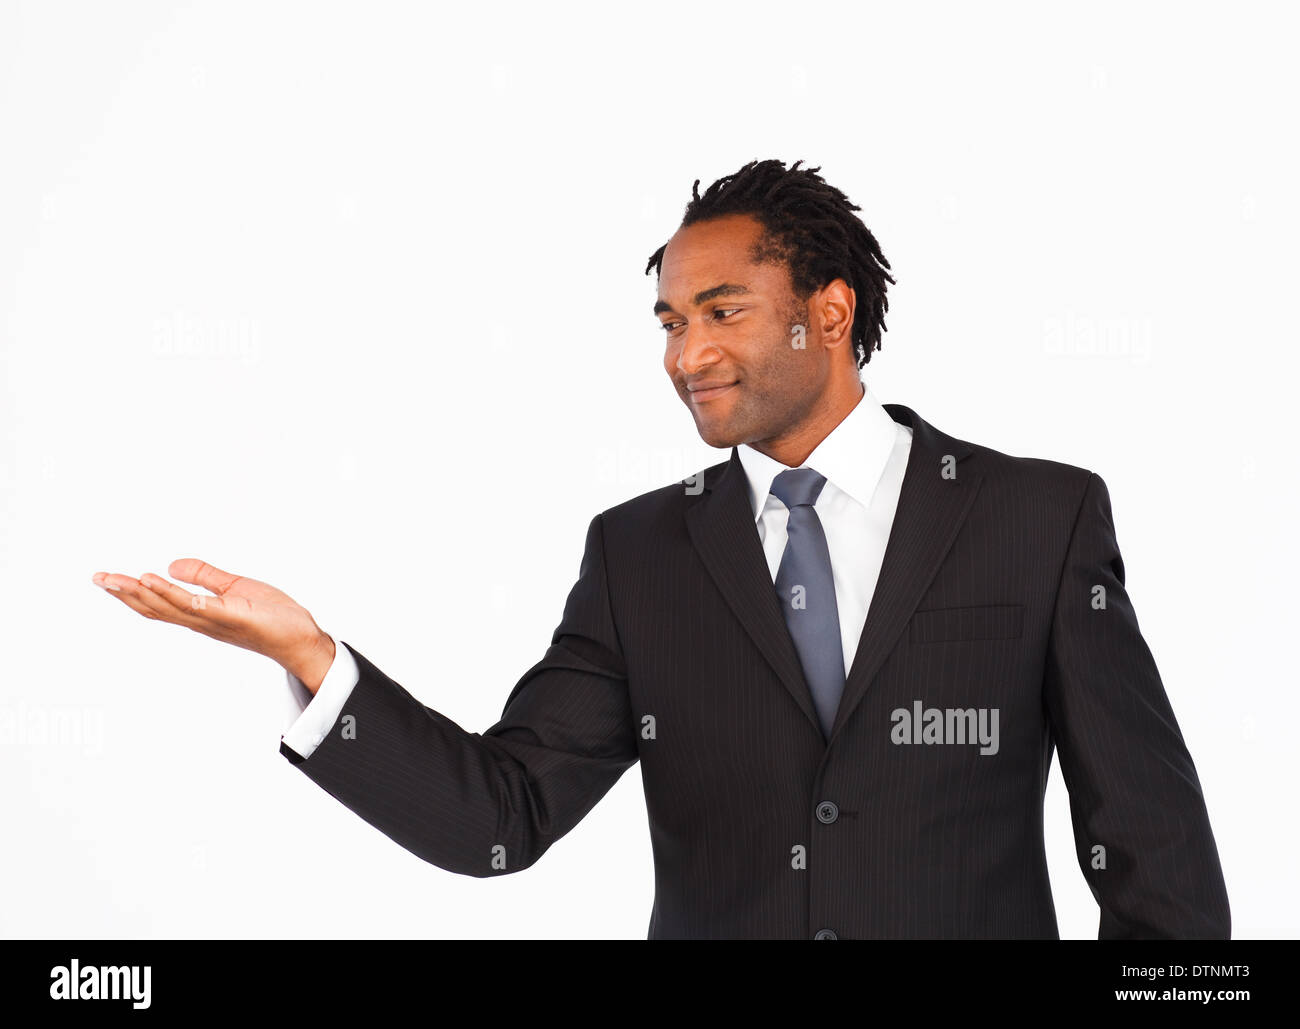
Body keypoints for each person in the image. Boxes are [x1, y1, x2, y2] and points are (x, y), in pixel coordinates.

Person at [93, 158, 1230, 940]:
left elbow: (1154, 857)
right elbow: (502, 817)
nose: (687, 355)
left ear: (825, 314)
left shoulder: (1036, 518)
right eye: (671, 322)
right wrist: (308, 655)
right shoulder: (639, 554)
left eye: (723, 311)